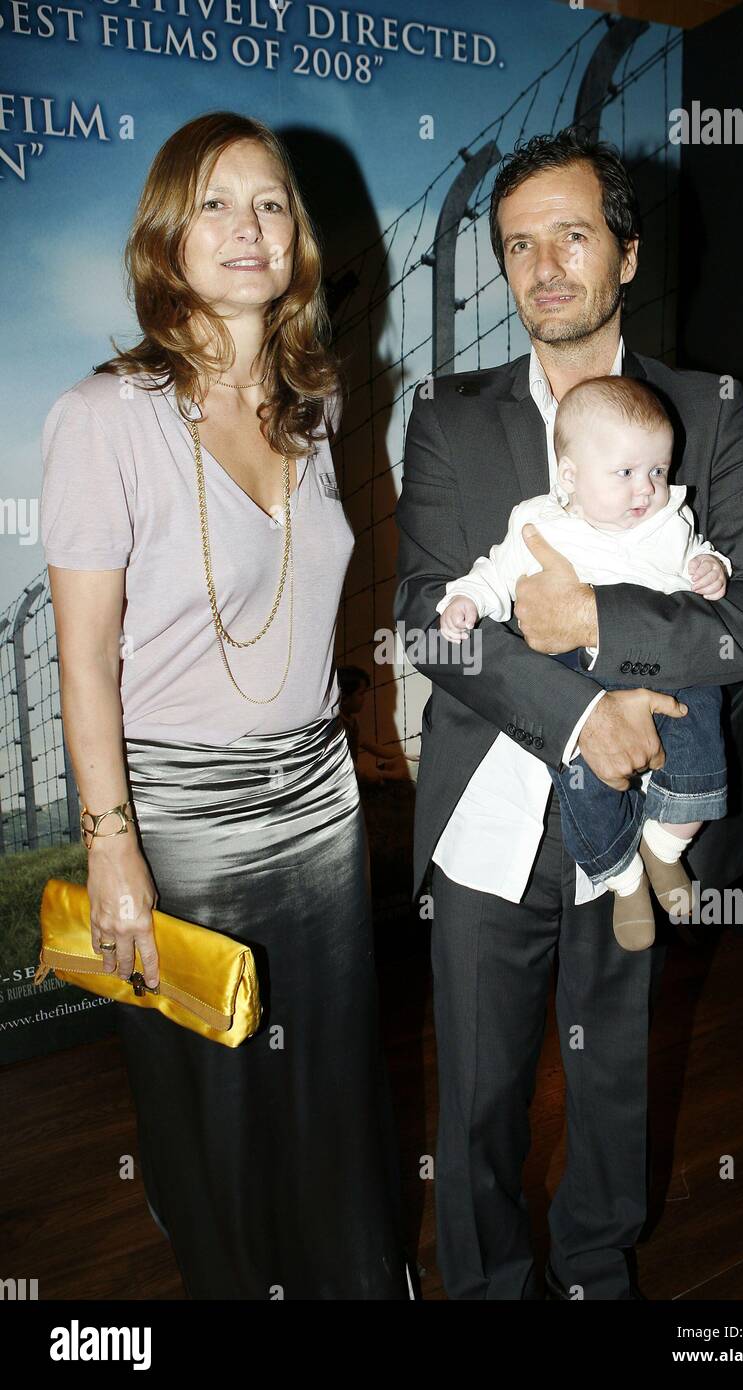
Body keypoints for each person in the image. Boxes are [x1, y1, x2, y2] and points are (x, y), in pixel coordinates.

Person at [394, 126, 743, 1300]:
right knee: (473, 1091)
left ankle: (593, 1273)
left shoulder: (711, 412)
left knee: (612, 1069)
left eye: (571, 235)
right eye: (518, 245)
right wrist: (583, 719)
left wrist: (599, 630)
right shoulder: (448, 418)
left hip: (643, 819)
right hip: (488, 811)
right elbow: (428, 616)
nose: (544, 266)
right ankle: (485, 1286)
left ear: (625, 253)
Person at [40, 111, 411, 1300]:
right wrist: (113, 850)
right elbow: (82, 660)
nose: (246, 228)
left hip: (319, 803)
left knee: (333, 1089)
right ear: (166, 235)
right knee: (213, 1110)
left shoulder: (318, 402)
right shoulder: (104, 418)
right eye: (213, 203)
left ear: (297, 240)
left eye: (270, 203)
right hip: (186, 821)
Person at [436, 374, 731, 951]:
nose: (645, 488)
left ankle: (664, 848)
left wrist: (711, 567)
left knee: (702, 740)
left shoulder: (670, 521)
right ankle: (623, 880)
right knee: (587, 783)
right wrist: (466, 599)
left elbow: (699, 555)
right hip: (576, 673)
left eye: (657, 470)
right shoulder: (541, 522)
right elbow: (495, 573)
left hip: (666, 668)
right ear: (570, 476)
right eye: (624, 473)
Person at [337, 665, 419, 783]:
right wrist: (390, 775)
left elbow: (372, 746)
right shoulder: (335, 726)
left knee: (399, 762)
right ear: (344, 698)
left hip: (354, 773)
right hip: (345, 777)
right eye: (361, 694)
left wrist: (405, 755)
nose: (364, 699)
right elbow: (352, 769)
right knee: (394, 773)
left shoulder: (352, 721)